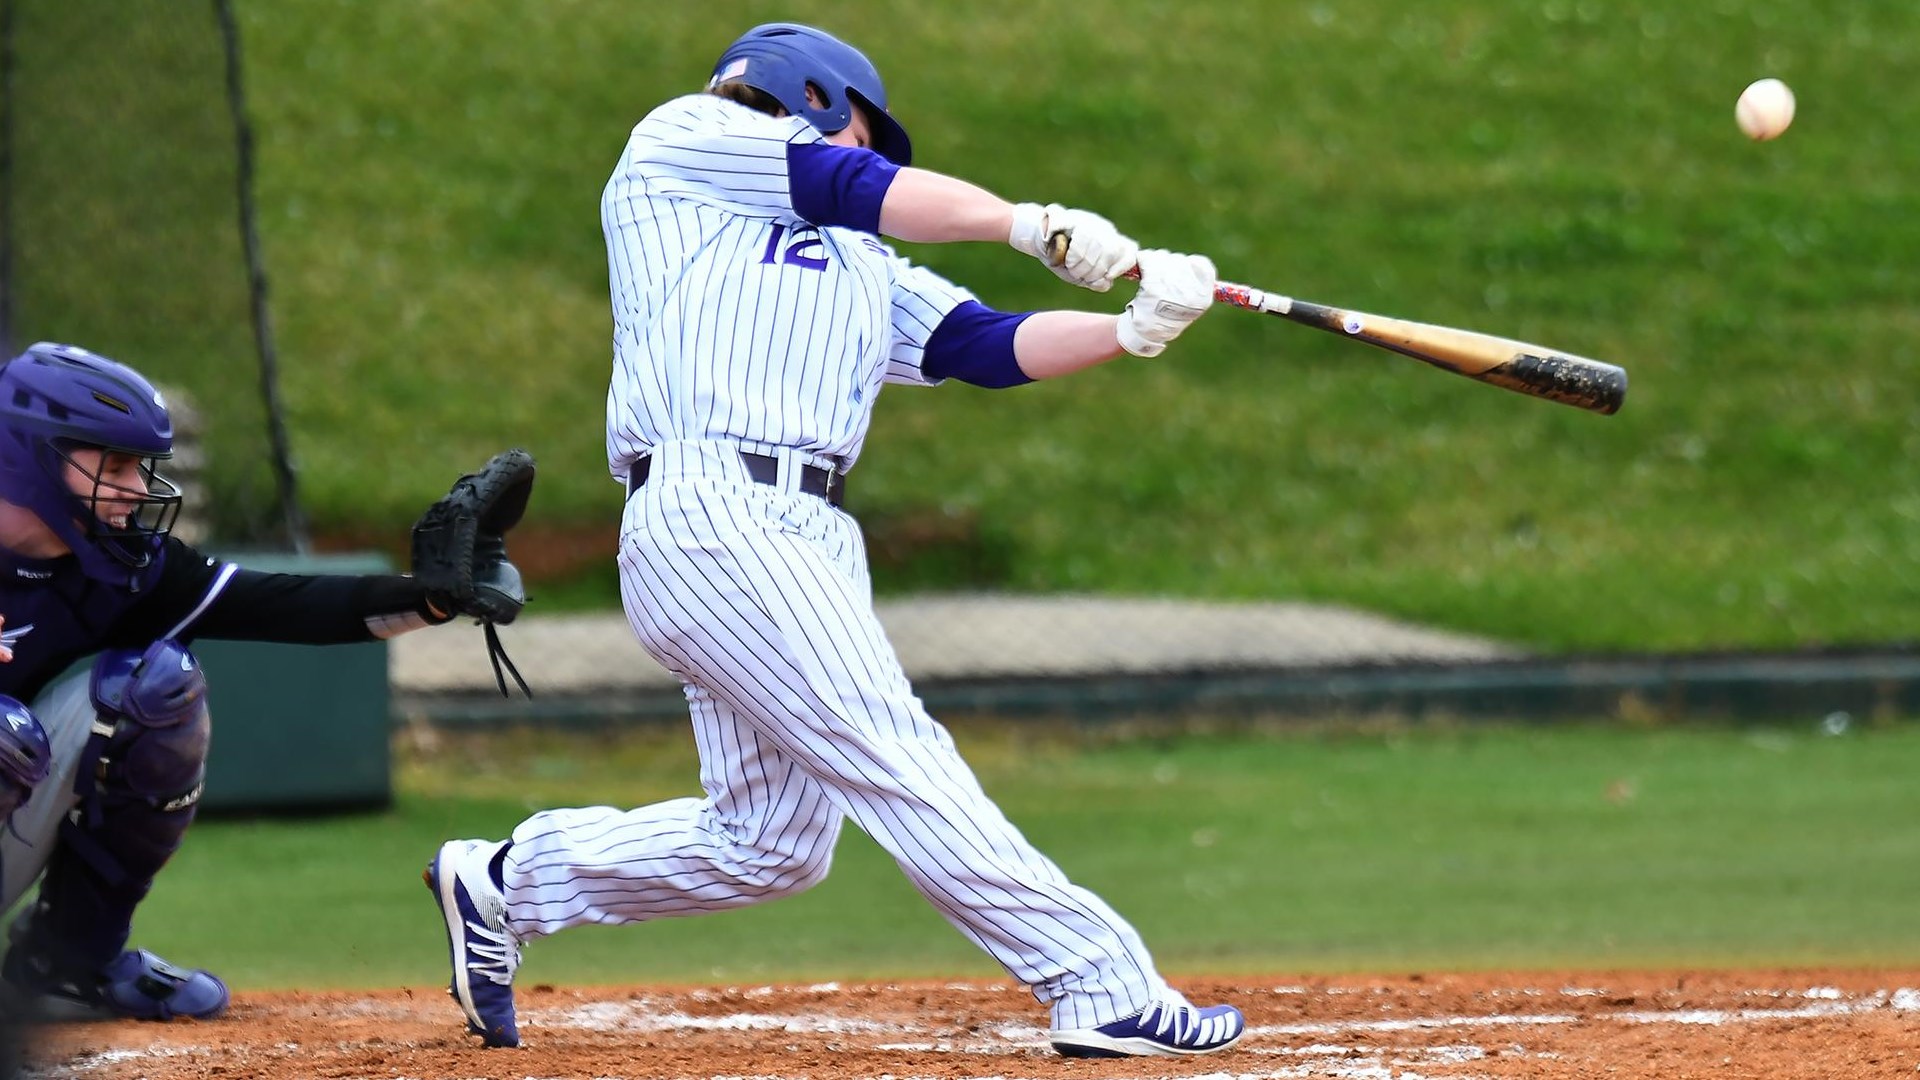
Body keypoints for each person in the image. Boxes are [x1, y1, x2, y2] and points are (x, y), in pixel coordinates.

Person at [425, 22, 1240, 1059]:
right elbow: (852, 186)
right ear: (805, 93)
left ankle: (510, 881)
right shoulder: (686, 141)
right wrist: (1028, 222)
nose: (870, 152)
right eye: (862, 128)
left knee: (770, 845)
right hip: (715, 507)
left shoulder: (857, 262)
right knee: (893, 753)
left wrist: (1133, 329)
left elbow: (978, 344)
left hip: (799, 532)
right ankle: (1100, 983)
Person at [0, 340, 532, 1022]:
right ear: (33, 456)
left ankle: (68, 965)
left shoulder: (123, 567)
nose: (137, 487)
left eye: (140, 465)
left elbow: (282, 602)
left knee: (155, 690)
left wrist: (433, 599)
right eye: (115, 464)